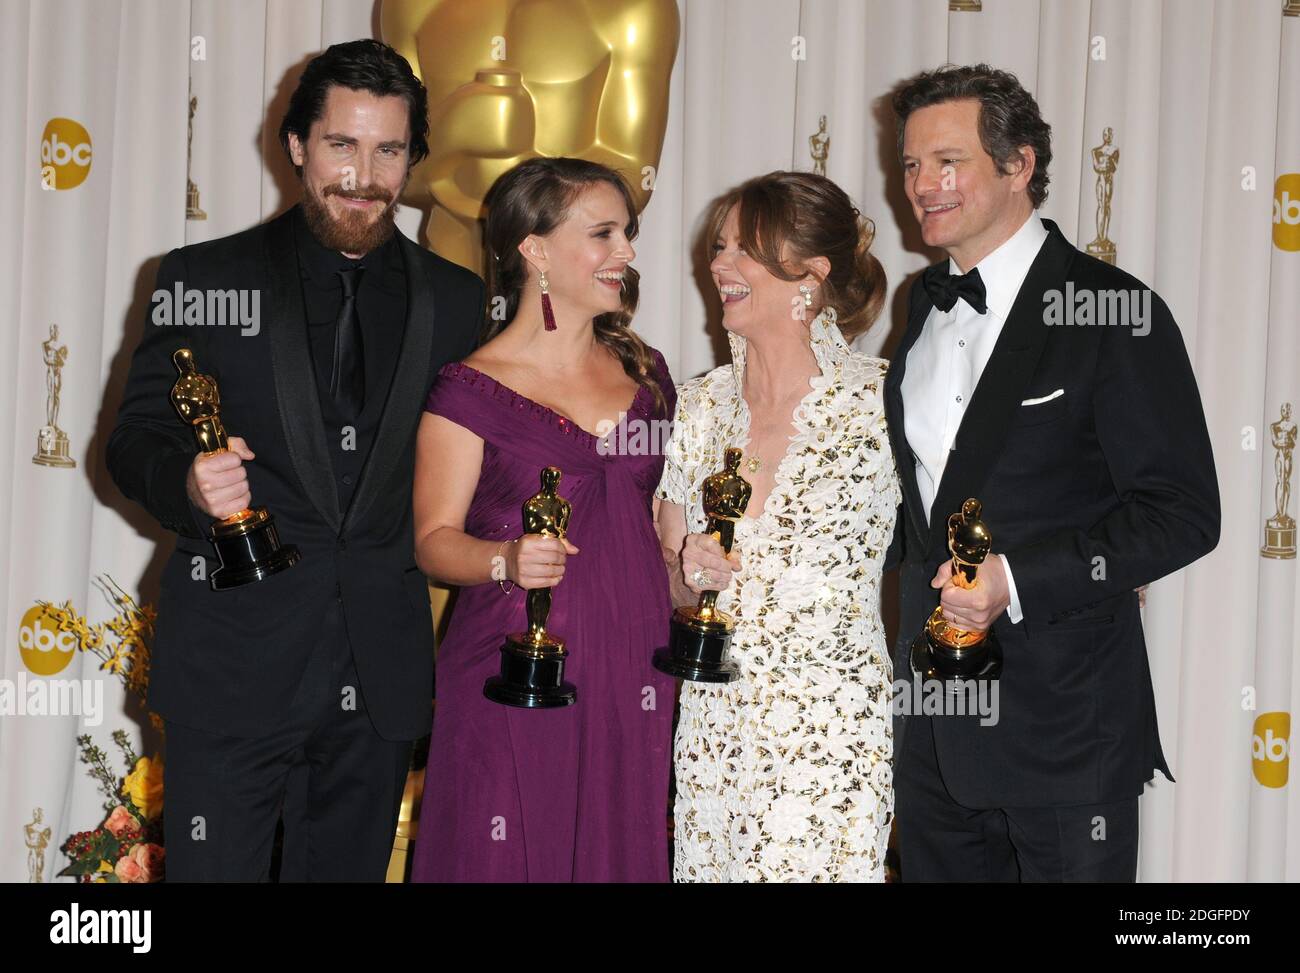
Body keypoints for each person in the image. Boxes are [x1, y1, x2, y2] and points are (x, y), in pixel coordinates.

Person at [106, 39, 484, 881]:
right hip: (234, 670)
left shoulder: (457, 303)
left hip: (378, 677)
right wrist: (189, 483)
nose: (363, 175)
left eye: (389, 150)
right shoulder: (203, 277)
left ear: (412, 160)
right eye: (342, 146)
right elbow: (131, 442)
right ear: (296, 147)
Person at [886, 63, 1220, 882]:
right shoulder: (919, 310)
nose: (922, 185)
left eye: (948, 161)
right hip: (934, 725)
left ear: (1019, 164)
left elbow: (1182, 510)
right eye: (910, 164)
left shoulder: (1112, 311)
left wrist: (1018, 579)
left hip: (1067, 728)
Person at [410, 157, 676, 882]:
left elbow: (658, 525)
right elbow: (433, 542)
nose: (626, 252)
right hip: (516, 672)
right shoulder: (467, 390)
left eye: (627, 233)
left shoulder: (648, 375)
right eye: (603, 233)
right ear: (534, 250)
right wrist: (504, 558)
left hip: (635, 672)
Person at [656, 171, 897, 882]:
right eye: (719, 245)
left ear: (810, 278)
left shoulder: (882, 401)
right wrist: (687, 569)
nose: (719, 265)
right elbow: (670, 577)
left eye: (744, 251)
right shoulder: (700, 405)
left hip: (830, 733)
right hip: (715, 727)